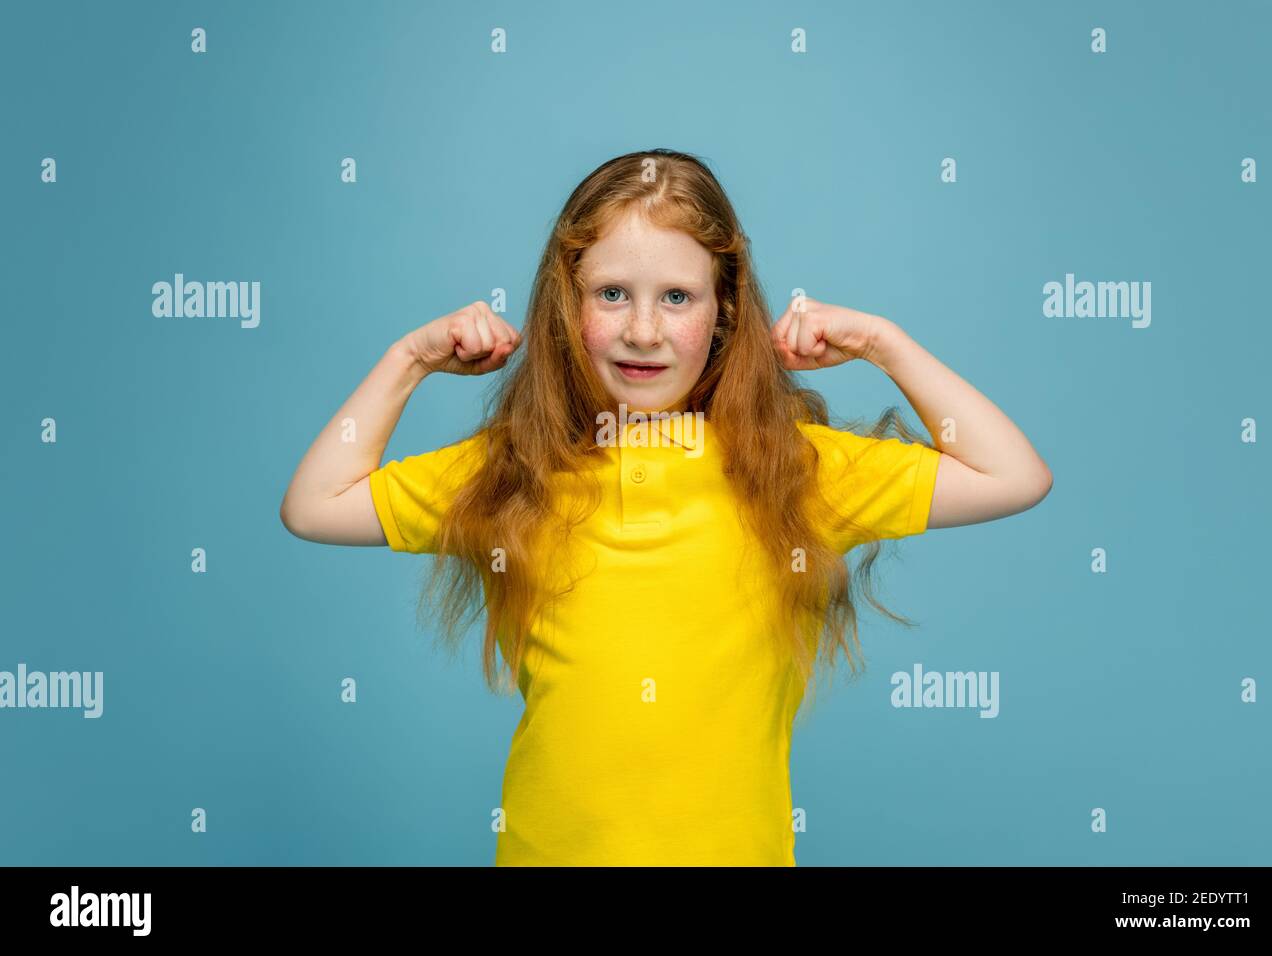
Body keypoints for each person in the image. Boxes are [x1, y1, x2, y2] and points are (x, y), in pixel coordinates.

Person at [279, 148, 1052, 866]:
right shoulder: (515, 470)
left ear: (723, 312)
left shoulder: (795, 470)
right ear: (565, 307)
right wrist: (407, 360)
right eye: (611, 294)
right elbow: (316, 505)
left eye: (676, 296)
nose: (642, 330)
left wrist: (886, 344)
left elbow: (1011, 474)